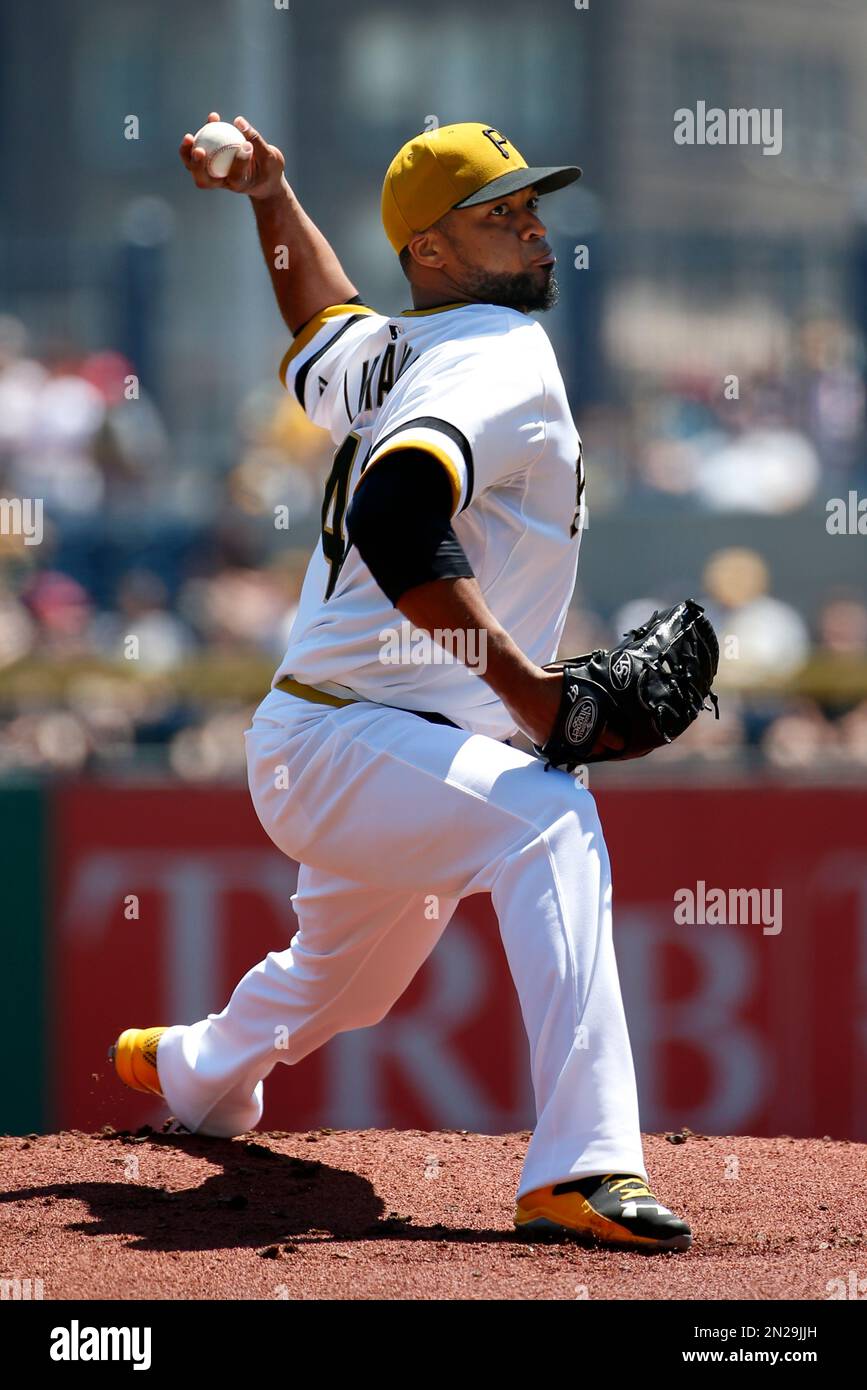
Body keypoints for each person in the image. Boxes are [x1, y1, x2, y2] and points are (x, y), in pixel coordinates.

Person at [110, 114, 692, 1252]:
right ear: (430, 249)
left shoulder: (402, 349)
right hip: (348, 738)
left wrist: (271, 195)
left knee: (344, 987)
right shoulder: (498, 352)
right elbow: (394, 516)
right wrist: (538, 700)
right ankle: (581, 1169)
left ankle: (194, 1067)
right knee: (548, 822)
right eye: (500, 215)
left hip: (367, 744)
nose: (534, 227)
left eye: (532, 205)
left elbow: (320, 321)